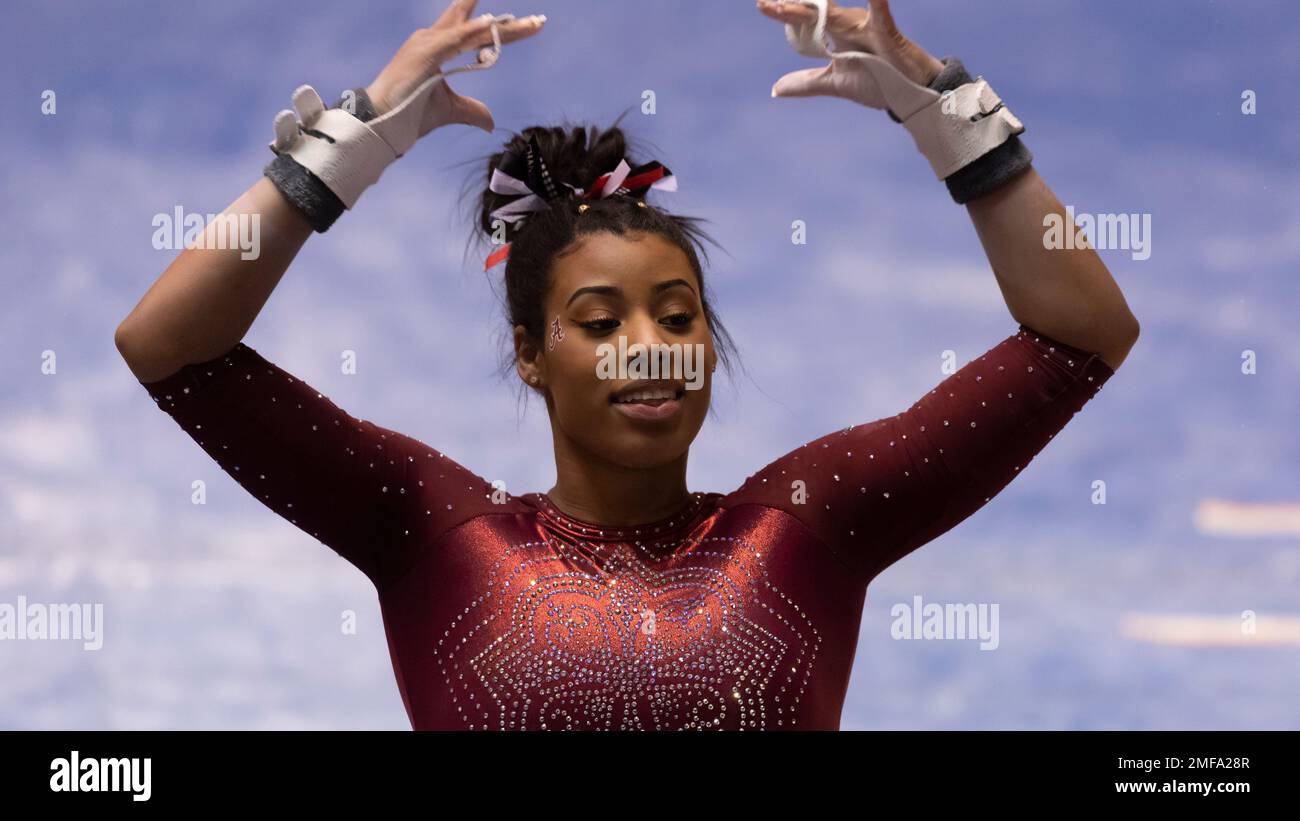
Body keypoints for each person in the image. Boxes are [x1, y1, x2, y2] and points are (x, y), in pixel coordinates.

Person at [114, 0, 1139, 730]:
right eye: (598, 322)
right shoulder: (430, 533)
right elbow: (171, 346)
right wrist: (346, 147)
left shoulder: (808, 524)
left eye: (677, 314)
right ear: (529, 355)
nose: (647, 344)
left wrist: (943, 113)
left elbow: (1080, 334)